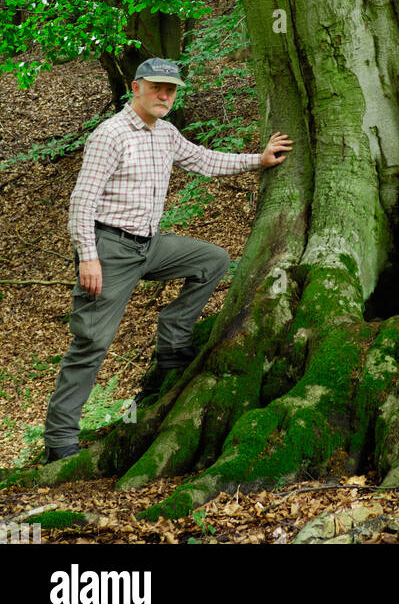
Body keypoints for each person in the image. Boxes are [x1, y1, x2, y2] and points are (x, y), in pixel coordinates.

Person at [42, 57, 293, 462]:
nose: (164, 95)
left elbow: (204, 160)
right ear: (136, 87)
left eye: (171, 89)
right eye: (157, 87)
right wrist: (88, 258)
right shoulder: (111, 135)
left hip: (150, 245)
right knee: (92, 342)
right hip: (110, 249)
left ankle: (173, 338)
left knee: (212, 260)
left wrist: (258, 160)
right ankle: (59, 443)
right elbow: (82, 202)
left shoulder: (166, 133)